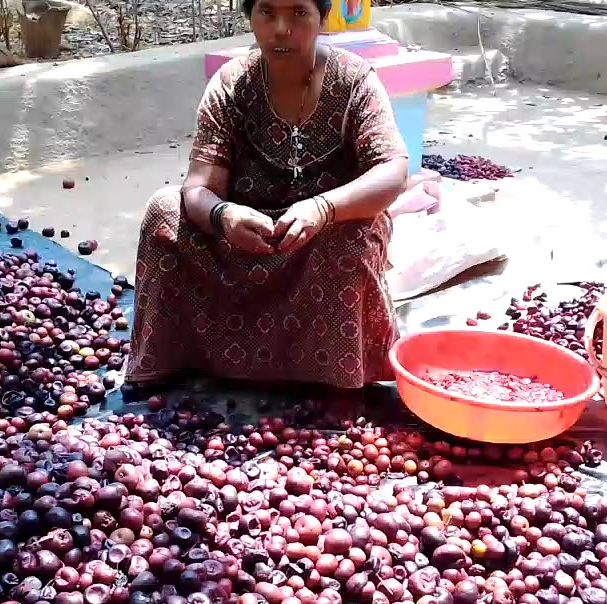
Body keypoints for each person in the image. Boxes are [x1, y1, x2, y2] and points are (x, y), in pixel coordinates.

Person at [126, 0, 410, 389]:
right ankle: (177, 359)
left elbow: (392, 170)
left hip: (321, 238)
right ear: (250, 18)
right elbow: (198, 187)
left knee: (355, 236)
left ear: (321, 18)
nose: (281, 28)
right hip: (246, 239)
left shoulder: (354, 81)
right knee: (163, 209)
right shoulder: (231, 84)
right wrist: (223, 215)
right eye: (266, 13)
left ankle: (333, 382)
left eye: (298, 13)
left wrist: (323, 208)